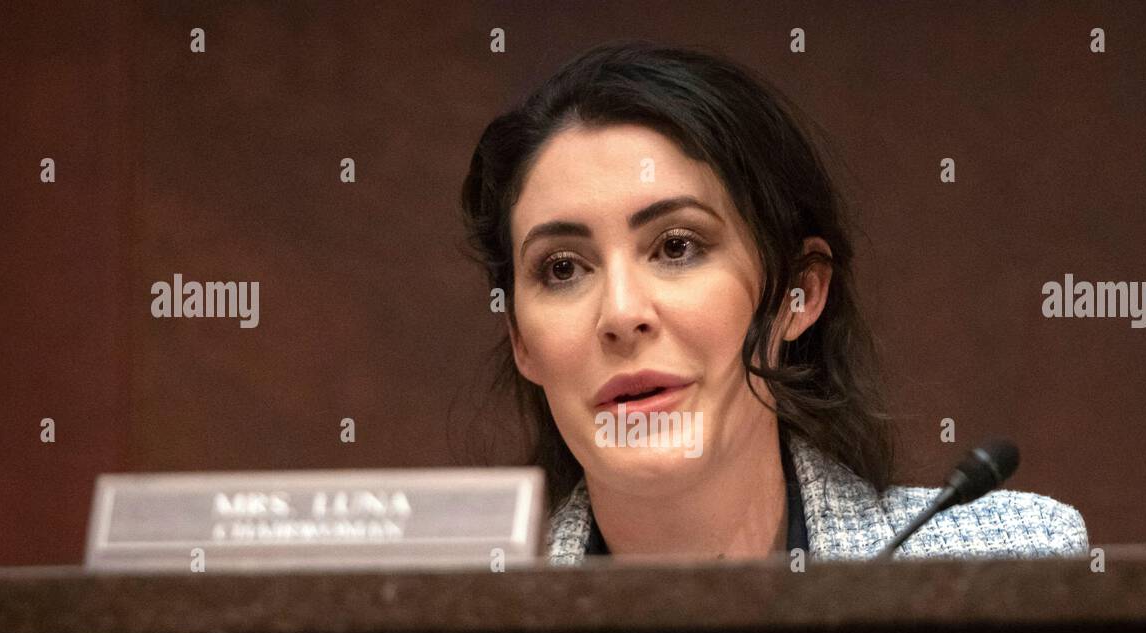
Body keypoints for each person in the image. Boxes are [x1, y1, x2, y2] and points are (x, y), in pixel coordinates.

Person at [460, 40, 1087, 564]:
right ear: (520, 338)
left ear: (801, 292)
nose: (622, 314)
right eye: (563, 268)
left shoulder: (1008, 563)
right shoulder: (458, 621)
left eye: (677, 247)